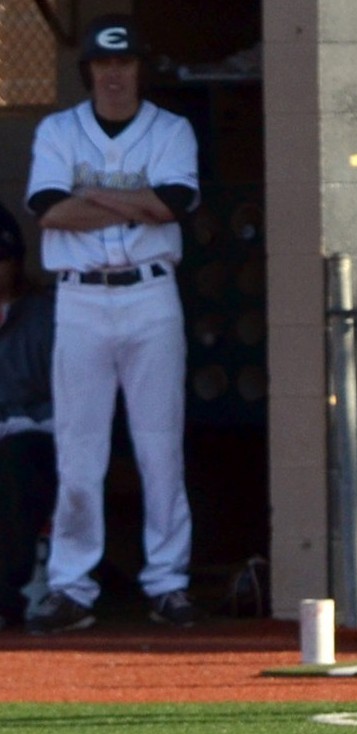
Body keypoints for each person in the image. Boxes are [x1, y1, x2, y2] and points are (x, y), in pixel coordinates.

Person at [23, 13, 204, 633]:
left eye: (124, 63)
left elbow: (173, 204)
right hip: (78, 300)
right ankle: (72, 587)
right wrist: (136, 203)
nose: (114, 75)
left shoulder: (171, 129)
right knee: (78, 453)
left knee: (160, 449)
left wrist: (92, 197)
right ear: (89, 71)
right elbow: (48, 210)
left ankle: (168, 583)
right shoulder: (57, 128)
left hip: (151, 295)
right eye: (103, 64)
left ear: (138, 69)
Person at [0, 200, 58, 631]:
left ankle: (11, 595)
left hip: (37, 438)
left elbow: (66, 397)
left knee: (17, 465)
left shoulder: (46, 313)